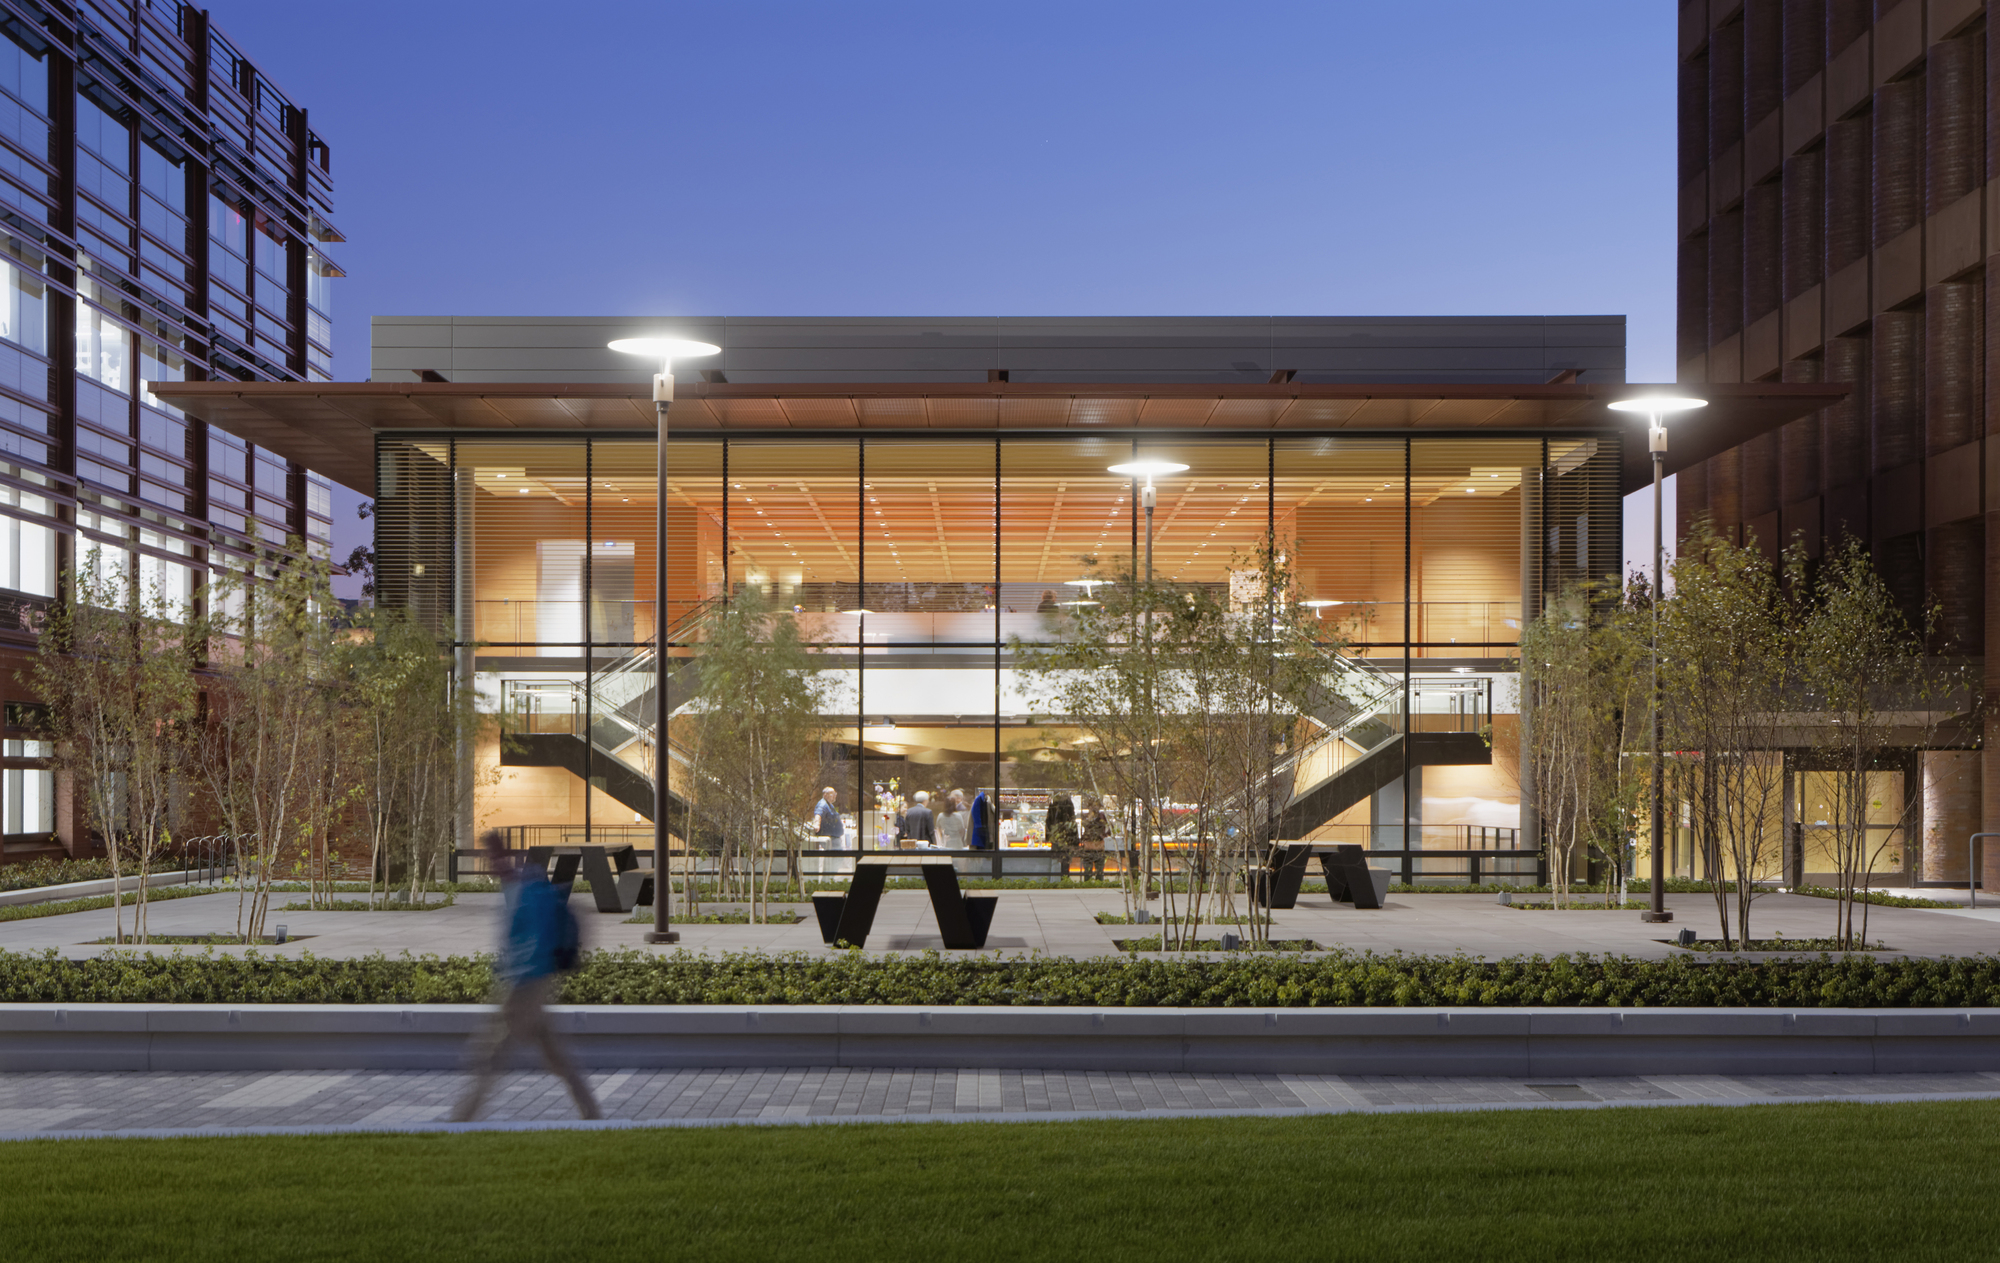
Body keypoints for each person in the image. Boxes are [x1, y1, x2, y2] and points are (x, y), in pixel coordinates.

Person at [452, 831, 600, 1122]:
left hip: (527, 985)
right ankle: (592, 1113)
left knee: (489, 1054)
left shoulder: (529, 890)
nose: (489, 863)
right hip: (524, 983)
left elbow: (538, 940)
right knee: (554, 1055)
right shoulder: (512, 889)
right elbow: (512, 940)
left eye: (492, 856)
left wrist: (519, 976)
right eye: (487, 857)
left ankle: (461, 1121)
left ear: (501, 854)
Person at [1045, 791, 1077, 877]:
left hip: (1057, 839)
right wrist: (1075, 841)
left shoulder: (1053, 806)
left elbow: (1048, 822)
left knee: (1056, 862)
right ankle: (1064, 879)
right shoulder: (1068, 806)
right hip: (1066, 839)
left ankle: (1056, 880)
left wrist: (1049, 837)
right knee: (1065, 862)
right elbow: (1073, 822)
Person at [1078, 798, 1108, 880]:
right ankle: (1088, 886)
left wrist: (1103, 835)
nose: (1094, 808)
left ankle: (1098, 885)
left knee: (1099, 872)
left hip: (1098, 847)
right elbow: (1086, 826)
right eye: (1092, 806)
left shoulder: (1101, 816)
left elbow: (1107, 828)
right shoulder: (1086, 816)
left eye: (1096, 806)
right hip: (1089, 847)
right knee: (1087, 872)